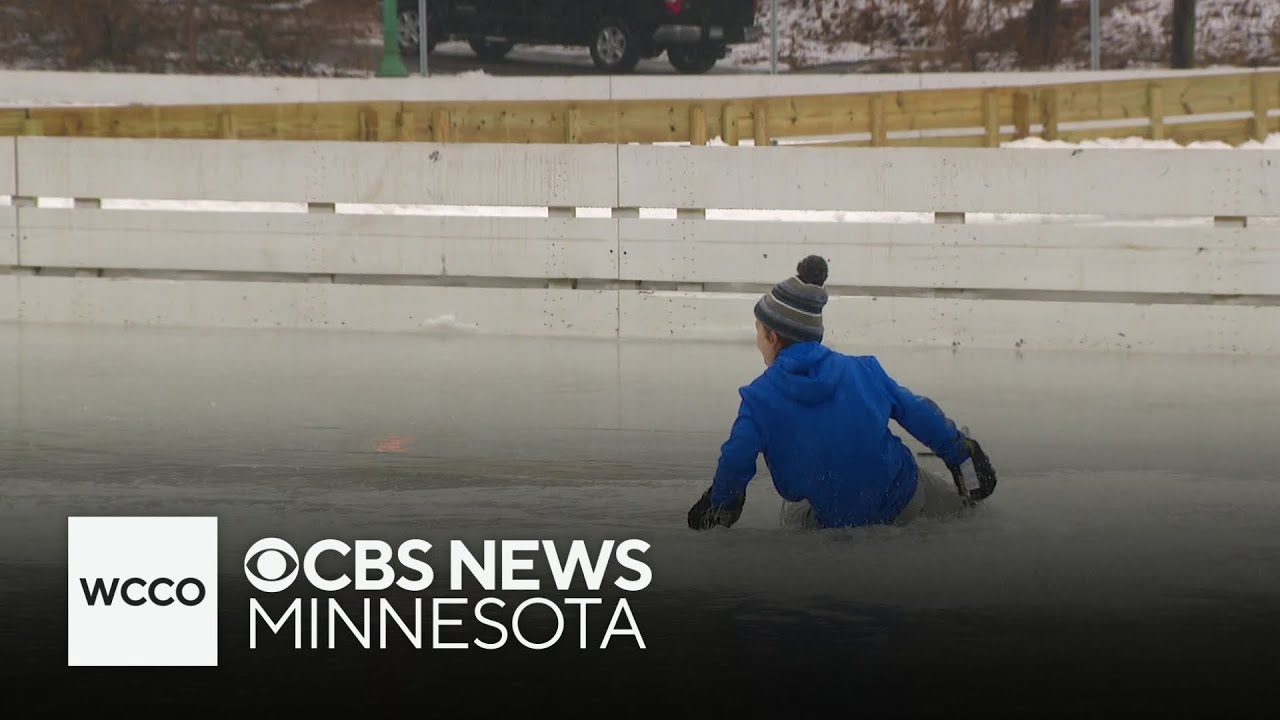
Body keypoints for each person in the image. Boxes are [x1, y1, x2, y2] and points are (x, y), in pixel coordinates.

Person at [687, 255, 997, 531]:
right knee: (964, 514)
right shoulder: (863, 370)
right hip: (904, 498)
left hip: (833, 521)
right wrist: (961, 453)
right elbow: (917, 412)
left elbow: (736, 459)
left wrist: (722, 503)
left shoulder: (758, 399)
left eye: (758, 329)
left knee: (795, 514)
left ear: (773, 336)